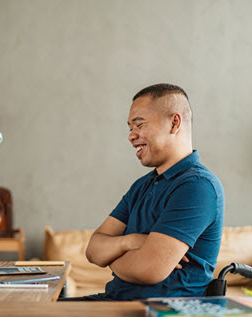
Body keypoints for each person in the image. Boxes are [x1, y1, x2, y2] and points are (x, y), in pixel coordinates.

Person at [60, 83, 224, 301]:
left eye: (139, 125)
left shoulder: (197, 186)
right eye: (130, 128)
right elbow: (93, 250)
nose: (131, 136)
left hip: (161, 314)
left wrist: (112, 256)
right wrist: (130, 242)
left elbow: (148, 270)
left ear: (174, 123)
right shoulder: (142, 186)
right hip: (116, 304)